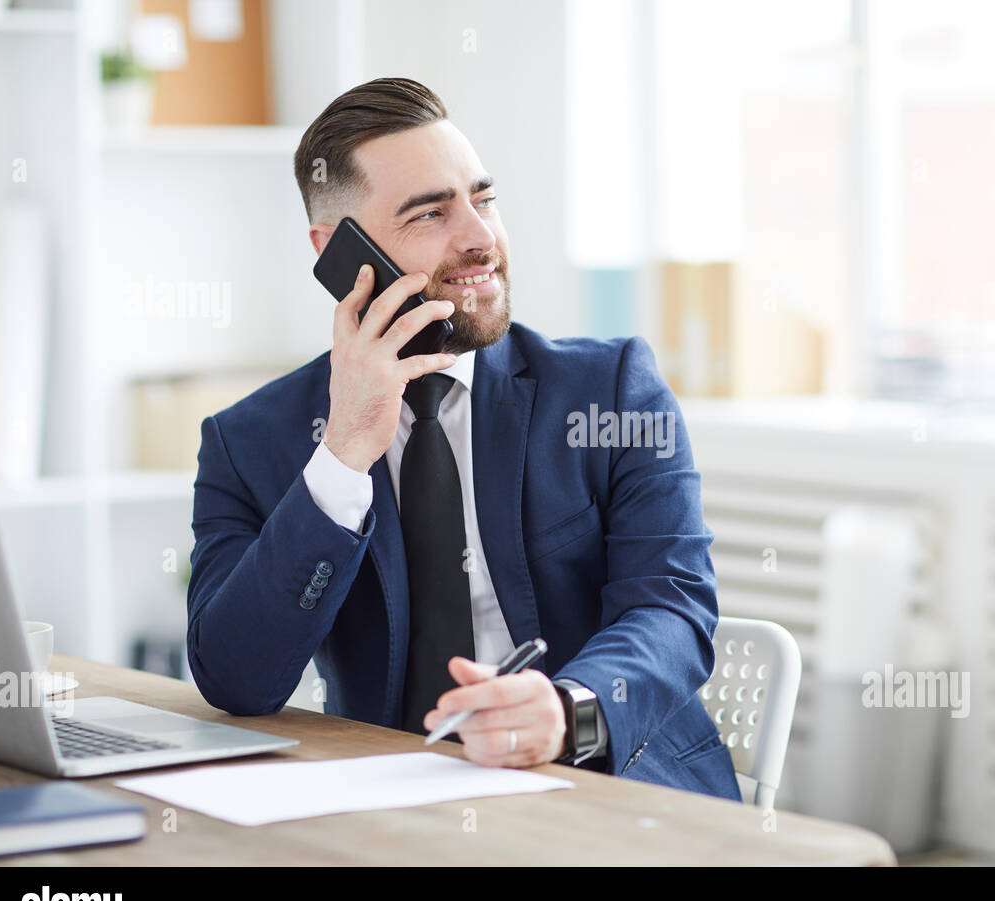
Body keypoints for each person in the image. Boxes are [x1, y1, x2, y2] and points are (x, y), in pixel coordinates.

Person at [186, 78, 739, 801]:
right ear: (337, 253)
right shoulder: (250, 442)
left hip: (611, 792)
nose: (481, 237)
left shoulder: (610, 390)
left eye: (483, 199)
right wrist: (344, 453)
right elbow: (236, 678)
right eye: (431, 213)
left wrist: (568, 710)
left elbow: (672, 608)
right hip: (386, 809)